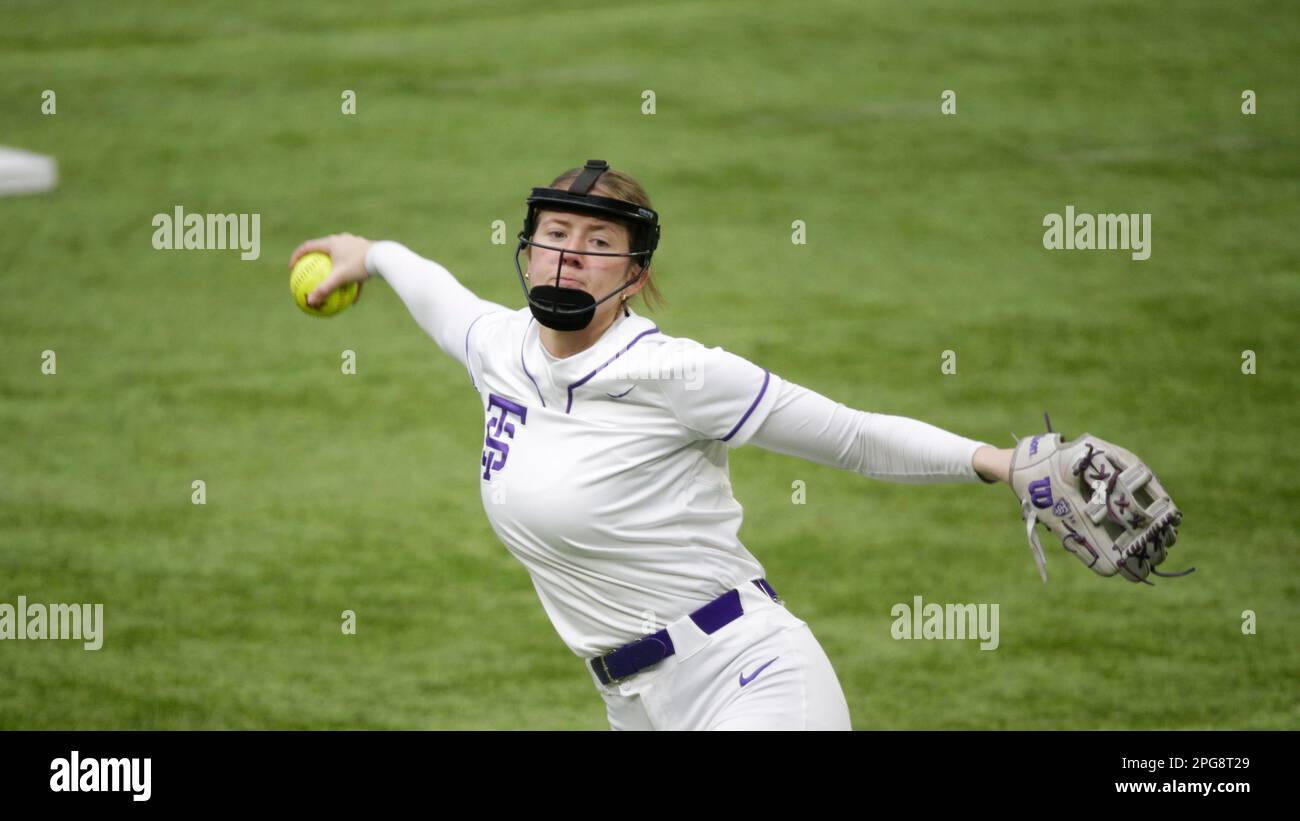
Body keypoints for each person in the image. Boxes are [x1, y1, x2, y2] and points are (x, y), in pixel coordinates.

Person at [289, 160, 1016, 731]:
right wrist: (371, 253)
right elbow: (435, 289)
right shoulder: (497, 346)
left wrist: (1002, 463)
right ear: (529, 251)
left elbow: (854, 436)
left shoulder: (680, 373)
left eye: (599, 242)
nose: (571, 255)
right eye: (555, 234)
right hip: (633, 706)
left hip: (750, 677)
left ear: (634, 274)